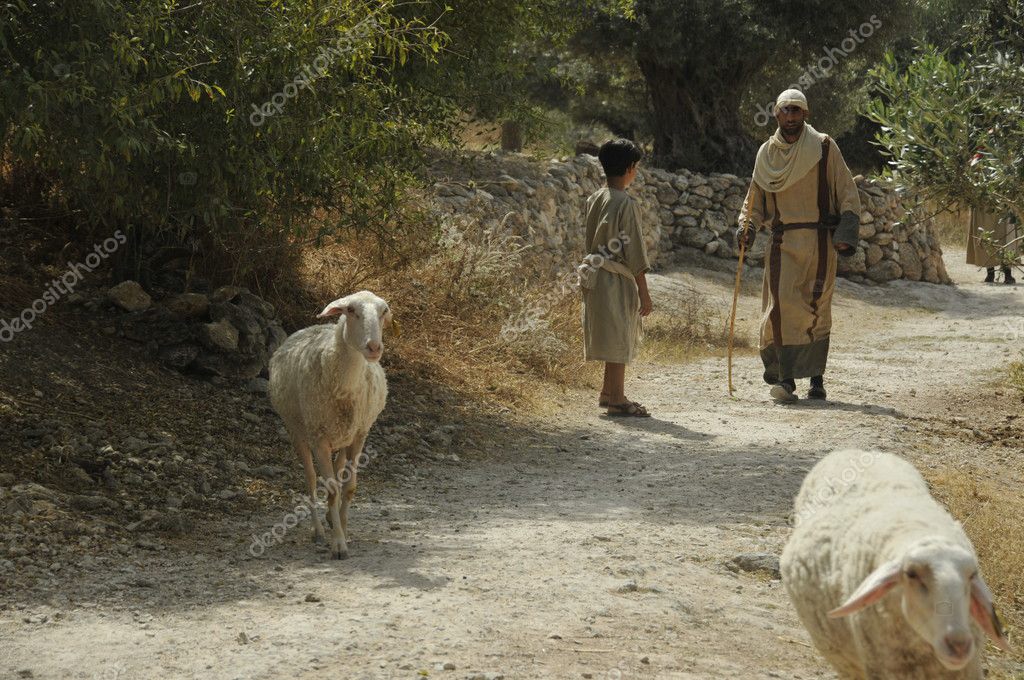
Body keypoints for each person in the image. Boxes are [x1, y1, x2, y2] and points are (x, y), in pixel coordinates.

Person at [735, 89, 861, 403]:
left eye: (795, 110)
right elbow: (755, 200)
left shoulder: (824, 146)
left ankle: (816, 379)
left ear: (805, 114)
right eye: (785, 110)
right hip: (783, 243)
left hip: (820, 241)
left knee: (815, 309)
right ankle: (786, 379)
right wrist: (747, 226)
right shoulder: (766, 154)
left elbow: (846, 189)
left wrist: (847, 228)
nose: (790, 116)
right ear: (776, 114)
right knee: (781, 308)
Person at [579, 138, 653, 417]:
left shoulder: (595, 198)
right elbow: (634, 251)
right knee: (620, 336)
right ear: (630, 168)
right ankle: (618, 399)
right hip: (615, 278)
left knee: (610, 334)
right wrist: (644, 292)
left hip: (595, 275)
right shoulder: (626, 203)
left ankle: (607, 392)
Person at [967, 205, 1018, 284]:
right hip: (987, 204)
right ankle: (993, 273)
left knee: (1003, 235)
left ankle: (1003, 273)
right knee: (988, 232)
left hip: (998, 204)